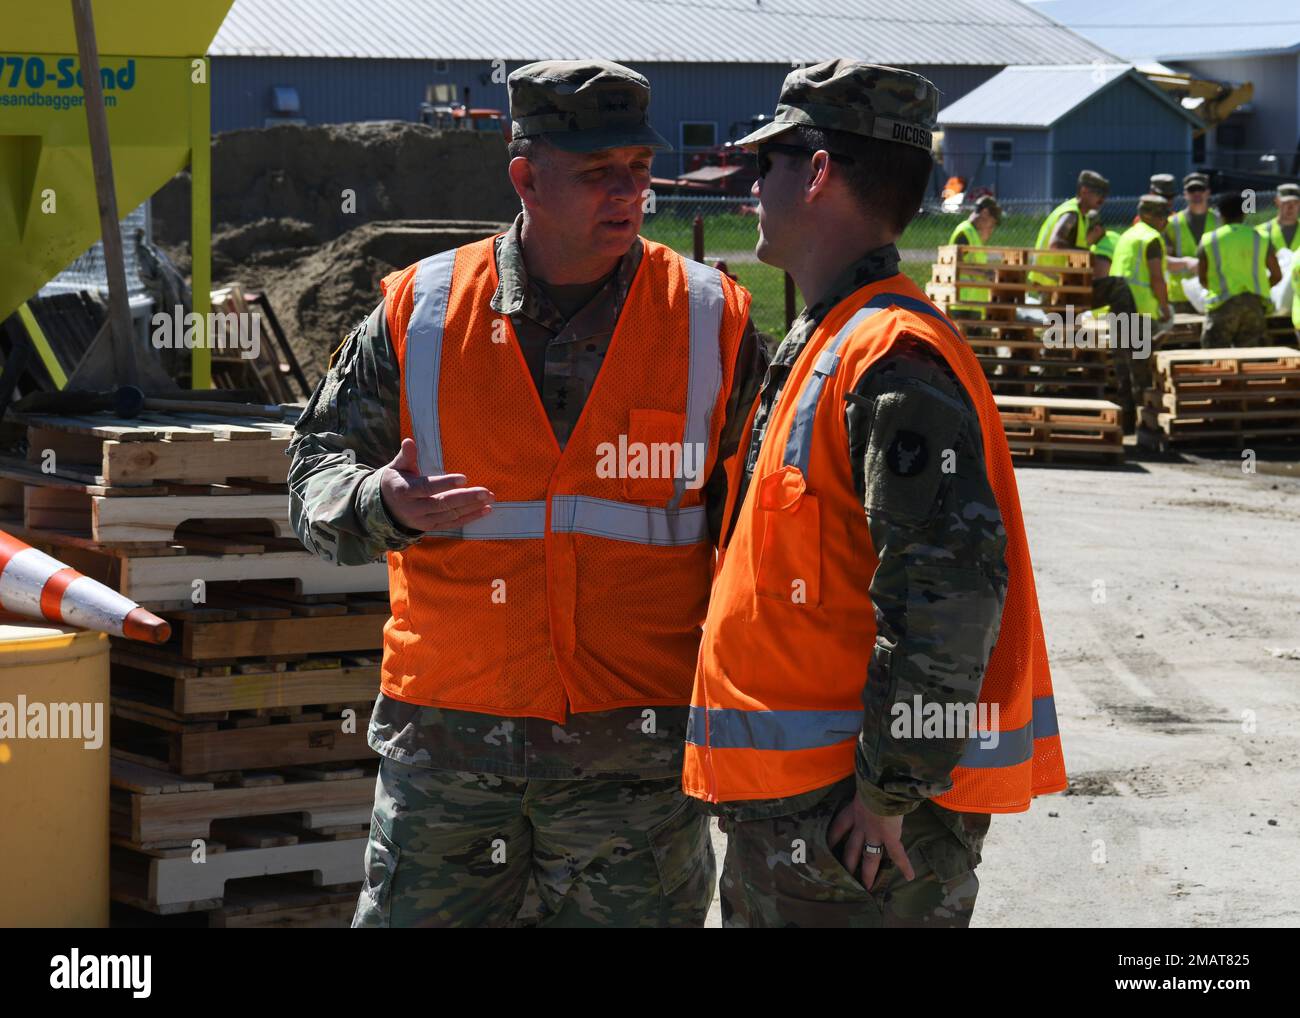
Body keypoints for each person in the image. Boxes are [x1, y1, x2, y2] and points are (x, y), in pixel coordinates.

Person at [288, 59, 767, 927]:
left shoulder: (711, 318)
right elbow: (312, 474)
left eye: (636, 169)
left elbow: (762, 536)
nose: (627, 193)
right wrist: (377, 505)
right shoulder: (421, 313)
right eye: (596, 174)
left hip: (634, 771)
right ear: (525, 178)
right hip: (450, 756)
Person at [681, 59, 1066, 929]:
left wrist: (891, 789)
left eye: (768, 161)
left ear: (817, 172)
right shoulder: (830, 340)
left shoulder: (889, 358)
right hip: (809, 817)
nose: (751, 183)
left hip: (852, 832)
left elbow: (948, 590)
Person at [1109, 194, 1173, 430]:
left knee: (1123, 373)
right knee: (1141, 373)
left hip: (1118, 311)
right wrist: (1165, 307)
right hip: (1140, 313)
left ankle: (1125, 427)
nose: (1165, 222)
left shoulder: (1127, 236)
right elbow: (1156, 278)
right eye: (1163, 217)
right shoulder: (1151, 239)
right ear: (1153, 217)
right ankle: (1144, 427)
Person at [1198, 190, 1282, 348]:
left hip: (1221, 306)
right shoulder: (1260, 237)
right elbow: (1277, 275)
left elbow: (1202, 278)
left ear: (1220, 215)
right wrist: (1260, 287)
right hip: (1254, 305)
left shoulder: (1209, 240)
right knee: (1251, 360)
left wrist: (1217, 289)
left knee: (1214, 359)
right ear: (1243, 213)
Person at [1027, 169, 1109, 295]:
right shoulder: (1071, 214)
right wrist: (1086, 254)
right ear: (1084, 191)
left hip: (1060, 285)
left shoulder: (1082, 217)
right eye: (1098, 194)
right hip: (1052, 287)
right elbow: (1055, 245)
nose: (1102, 199)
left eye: (1104, 195)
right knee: (1116, 288)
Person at [1166, 172, 1218, 313]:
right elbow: (1163, 260)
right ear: (1185, 194)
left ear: (1207, 192)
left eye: (1200, 189)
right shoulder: (1172, 224)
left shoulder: (1219, 221)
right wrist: (1186, 262)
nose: (1196, 194)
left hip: (1213, 295)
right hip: (1181, 298)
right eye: (1191, 190)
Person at [946, 194, 1001, 312]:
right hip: (962, 303)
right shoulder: (964, 232)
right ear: (985, 213)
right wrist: (986, 273)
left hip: (973, 305)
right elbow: (956, 266)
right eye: (991, 224)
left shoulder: (974, 235)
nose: (990, 229)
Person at [1255, 182, 1300, 254]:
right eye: (1286, 202)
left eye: (1295, 202)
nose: (1291, 207)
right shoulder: (1260, 232)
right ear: (1277, 201)